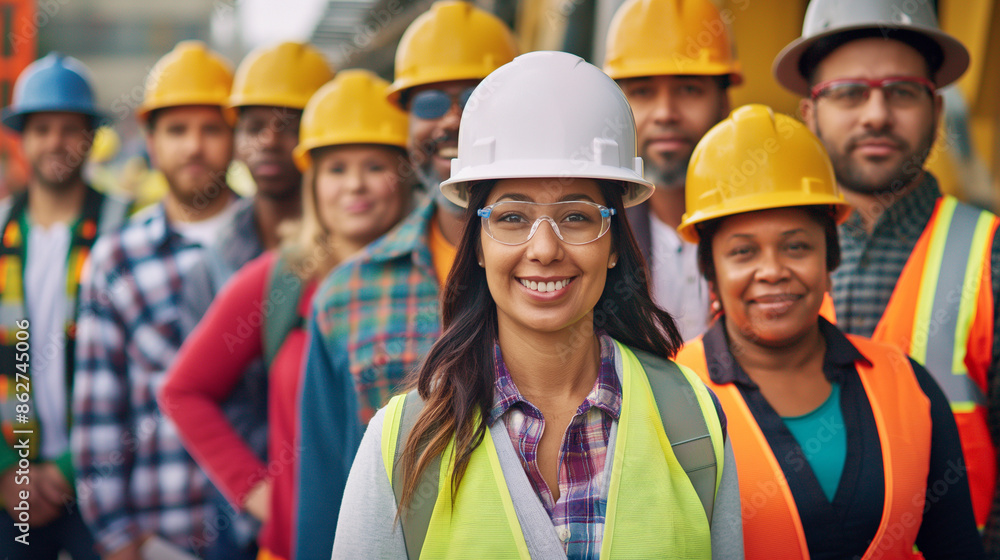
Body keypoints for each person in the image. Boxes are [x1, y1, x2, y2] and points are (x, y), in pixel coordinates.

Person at [332, 50, 743, 560]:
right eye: (511, 218)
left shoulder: (693, 421)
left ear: (614, 242)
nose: (544, 250)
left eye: (576, 217)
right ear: (477, 244)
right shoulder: (402, 443)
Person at [673, 103, 984, 559]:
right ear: (710, 271)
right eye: (743, 252)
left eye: (796, 246)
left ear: (830, 258)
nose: (773, 271)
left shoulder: (907, 386)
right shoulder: (670, 395)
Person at [159, 70, 412, 560]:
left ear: (402, 175)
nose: (355, 185)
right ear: (313, 179)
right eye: (337, 168)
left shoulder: (433, 276)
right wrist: (258, 493)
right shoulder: (280, 280)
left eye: (375, 165)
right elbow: (182, 391)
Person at [773, 0, 1000, 544]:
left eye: (900, 92)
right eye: (850, 93)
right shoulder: (759, 263)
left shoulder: (990, 256)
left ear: (937, 111)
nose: (876, 114)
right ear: (809, 115)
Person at [294, 3, 517, 557]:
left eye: (472, 99)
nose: (447, 120)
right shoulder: (347, 295)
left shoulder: (570, 271)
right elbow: (325, 481)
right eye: (428, 103)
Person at [72, 41, 241, 559]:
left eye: (211, 129)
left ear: (234, 137)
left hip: (269, 528)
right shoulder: (116, 259)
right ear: (148, 139)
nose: (194, 147)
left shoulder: (279, 247)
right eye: (176, 130)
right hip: (162, 534)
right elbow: (99, 410)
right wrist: (120, 539)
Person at [175, 43, 332, 558]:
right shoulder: (216, 265)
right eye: (253, 125)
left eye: (288, 123)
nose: (269, 140)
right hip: (240, 517)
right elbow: (192, 392)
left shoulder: (349, 254)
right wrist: (256, 489)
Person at [0, 52, 130, 560]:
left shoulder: (125, 228)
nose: (56, 142)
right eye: (43, 128)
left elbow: (142, 366)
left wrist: (69, 469)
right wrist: (10, 469)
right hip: (13, 489)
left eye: (70, 129)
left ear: (92, 137)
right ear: (23, 138)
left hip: (109, 480)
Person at [603, 0, 740, 341]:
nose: (665, 112)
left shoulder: (761, 220)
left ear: (724, 102)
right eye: (643, 92)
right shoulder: (595, 229)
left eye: (689, 89)